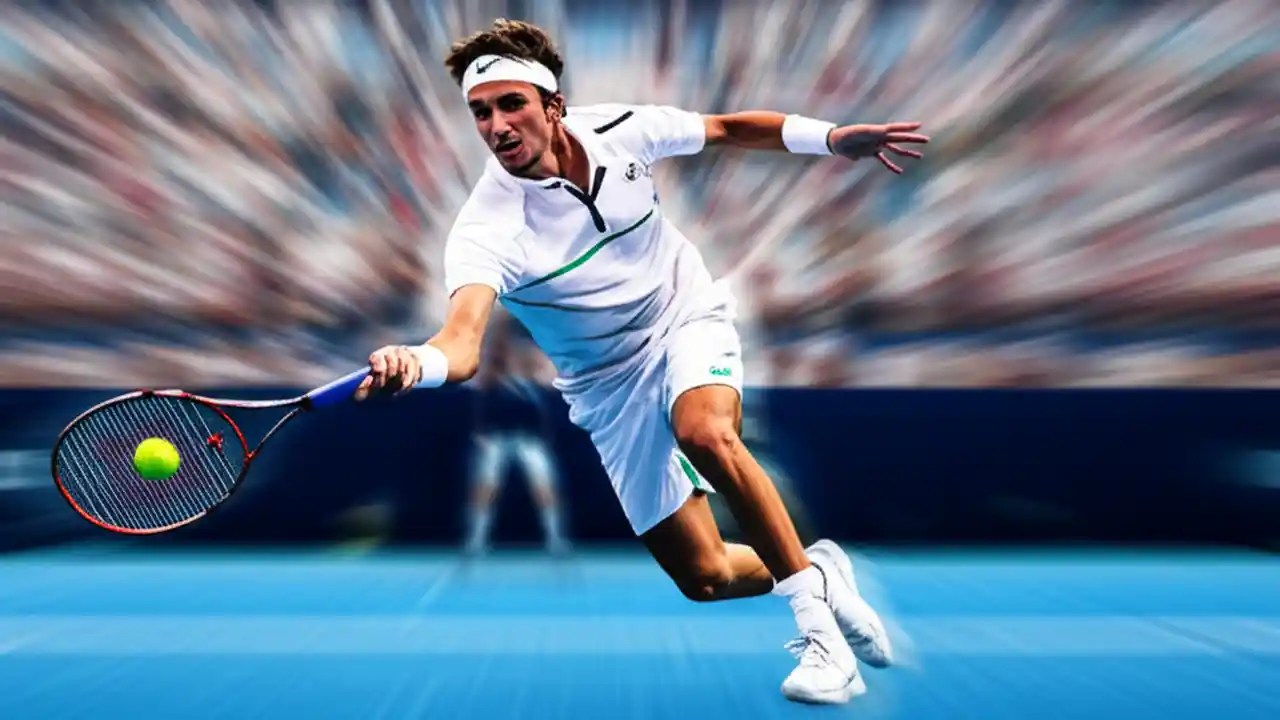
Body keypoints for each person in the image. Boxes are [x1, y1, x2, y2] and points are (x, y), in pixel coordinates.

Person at [355, 19, 928, 704]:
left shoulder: (624, 129)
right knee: (706, 576)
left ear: (552, 106)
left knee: (706, 433)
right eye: (481, 111)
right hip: (605, 385)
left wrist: (830, 138)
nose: (497, 125)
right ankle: (823, 575)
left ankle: (822, 640)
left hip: (685, 316)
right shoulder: (487, 228)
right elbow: (461, 343)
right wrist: (414, 363)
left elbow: (725, 129)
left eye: (512, 105)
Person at [464, 308, 570, 556]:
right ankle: (476, 539)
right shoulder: (492, 377)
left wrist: (544, 435)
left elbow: (544, 412)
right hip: (496, 440)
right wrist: (480, 433)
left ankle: (555, 538)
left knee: (544, 487)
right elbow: (480, 405)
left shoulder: (535, 380)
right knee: (486, 488)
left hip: (529, 440)